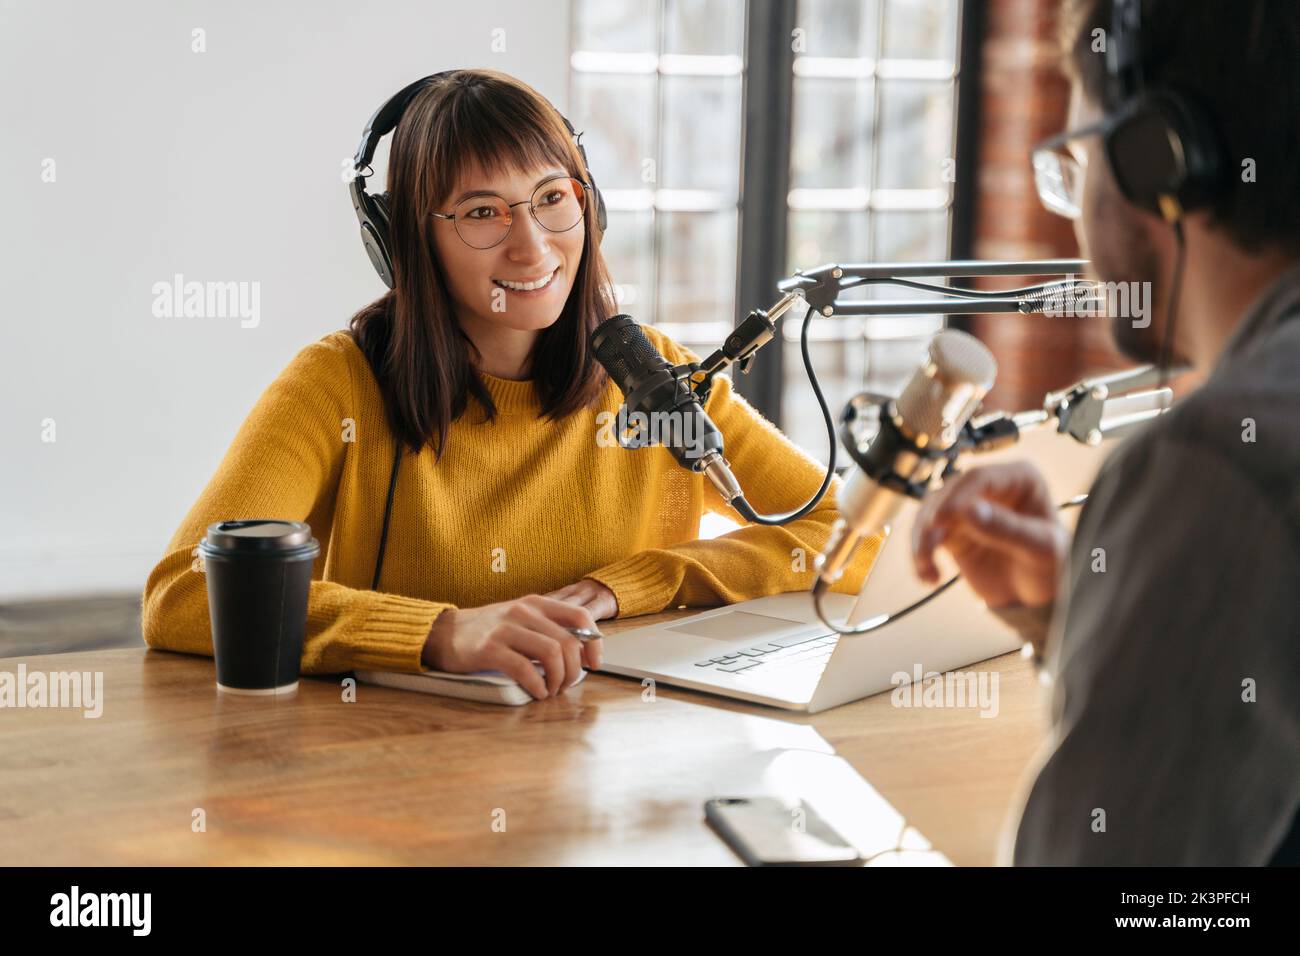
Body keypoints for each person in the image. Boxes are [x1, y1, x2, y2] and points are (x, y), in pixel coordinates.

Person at [141, 69, 878, 701]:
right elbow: (184, 593)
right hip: (397, 767)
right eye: (482, 213)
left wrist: (642, 581)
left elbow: (858, 541)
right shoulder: (337, 382)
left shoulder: (650, 373)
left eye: (552, 198)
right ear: (406, 240)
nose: (533, 245)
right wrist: (439, 632)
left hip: (615, 761)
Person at [911, 0, 1300, 864]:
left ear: (1154, 154)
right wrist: (1090, 610)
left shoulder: (1218, 469)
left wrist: (1175, 545)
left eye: (1076, 157)